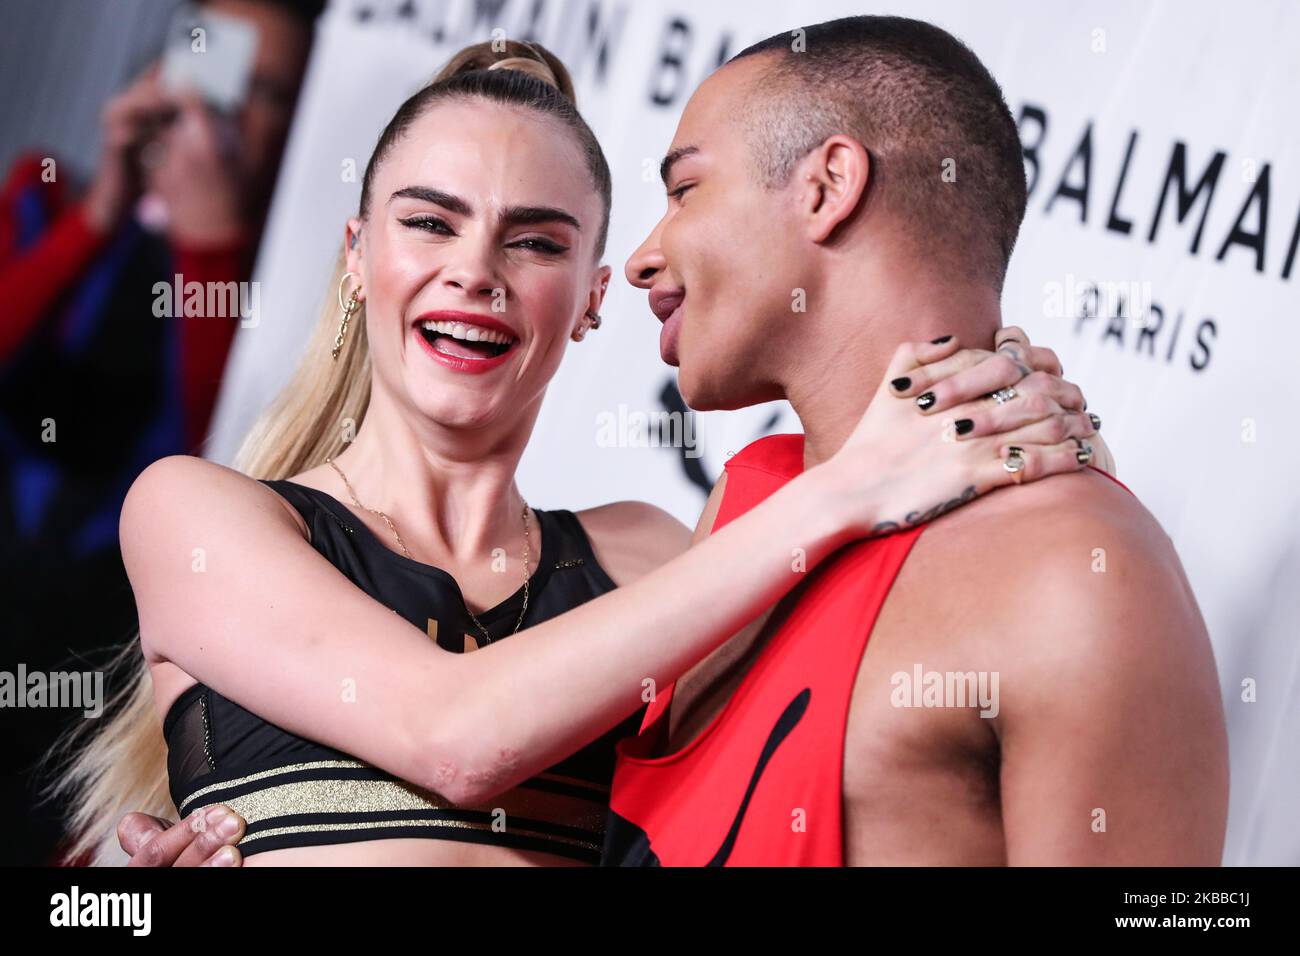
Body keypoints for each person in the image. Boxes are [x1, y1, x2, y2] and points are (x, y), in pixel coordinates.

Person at [48, 38, 1103, 867]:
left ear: (593, 300)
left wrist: (1009, 403)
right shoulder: (195, 513)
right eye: (429, 222)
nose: (477, 271)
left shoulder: (657, 554)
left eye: (537, 241)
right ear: (358, 258)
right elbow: (456, 738)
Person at [602, 15, 1227, 865]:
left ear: (827, 187)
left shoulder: (1079, 575)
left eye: (684, 192)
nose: (642, 257)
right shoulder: (750, 498)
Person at [3, 0, 322, 865]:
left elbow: (234, 458)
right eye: (211, 64)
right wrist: (101, 207)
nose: (220, 109)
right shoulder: (50, 195)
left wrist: (208, 242)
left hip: (100, 663)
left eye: (262, 91)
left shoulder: (281, 285)